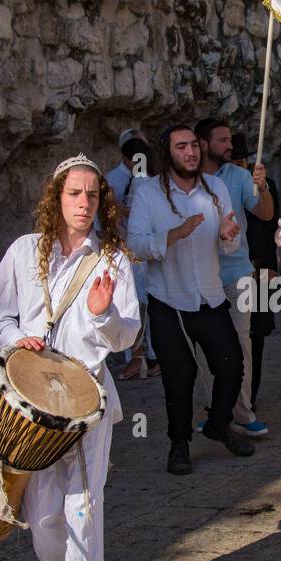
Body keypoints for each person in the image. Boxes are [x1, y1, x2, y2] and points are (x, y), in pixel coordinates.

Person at [0, 154, 141, 561]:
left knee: (82, 506)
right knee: (42, 511)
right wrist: (13, 340)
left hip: (86, 400)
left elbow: (126, 335)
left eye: (93, 195)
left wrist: (103, 314)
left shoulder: (112, 259)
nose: (84, 203)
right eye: (74, 194)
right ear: (56, 198)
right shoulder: (25, 252)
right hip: (33, 403)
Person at [126, 126, 255, 475]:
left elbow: (227, 243)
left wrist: (229, 236)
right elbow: (135, 245)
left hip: (209, 295)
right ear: (167, 153)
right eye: (181, 147)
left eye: (194, 146)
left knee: (231, 366)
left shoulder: (216, 188)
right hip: (168, 299)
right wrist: (172, 235)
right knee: (178, 378)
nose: (191, 153)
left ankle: (218, 424)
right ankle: (179, 443)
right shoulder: (148, 193)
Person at [194, 117, 274, 439]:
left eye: (230, 140)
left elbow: (265, 214)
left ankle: (242, 412)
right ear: (203, 143)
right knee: (204, 349)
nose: (230, 146)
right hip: (198, 276)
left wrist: (263, 186)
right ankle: (217, 412)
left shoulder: (241, 176)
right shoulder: (187, 179)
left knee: (241, 344)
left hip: (237, 273)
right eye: (223, 140)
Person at [232, 132, 280, 412]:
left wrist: (270, 266)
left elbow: (269, 226)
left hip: (259, 268)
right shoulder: (219, 187)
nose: (240, 165)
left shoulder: (264, 186)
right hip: (232, 269)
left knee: (256, 335)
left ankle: (250, 394)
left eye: (242, 160)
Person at [110, 137, 160, 382]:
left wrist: (115, 204)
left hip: (137, 252)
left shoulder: (141, 182)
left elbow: (138, 212)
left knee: (137, 306)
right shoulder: (150, 179)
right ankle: (150, 359)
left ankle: (138, 359)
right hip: (144, 250)